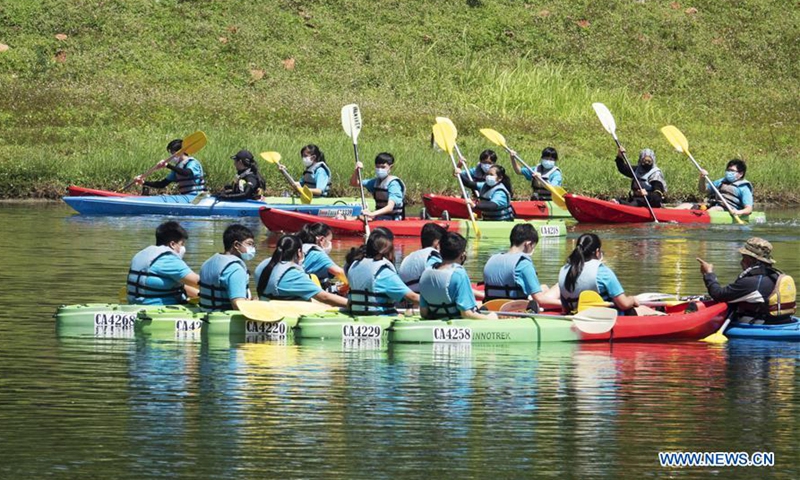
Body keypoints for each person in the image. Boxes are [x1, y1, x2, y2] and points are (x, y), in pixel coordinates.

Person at [697, 237, 795, 324]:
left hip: (760, 325)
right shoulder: (775, 275)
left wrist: (708, 273)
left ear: (749, 259)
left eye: (743, 257)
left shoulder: (751, 282)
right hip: (783, 321)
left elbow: (718, 294)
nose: (741, 261)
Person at [419, 232, 497, 320]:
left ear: (440, 251)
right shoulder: (459, 274)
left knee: (479, 305)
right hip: (457, 323)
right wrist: (491, 318)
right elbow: (466, 314)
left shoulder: (425, 274)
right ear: (462, 255)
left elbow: (424, 313)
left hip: (436, 321)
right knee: (486, 310)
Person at [255, 234, 348, 307]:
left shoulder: (262, 265)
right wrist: (354, 304)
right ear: (299, 252)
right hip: (288, 313)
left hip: (267, 306)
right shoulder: (293, 274)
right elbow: (324, 297)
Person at [483, 224, 560, 310]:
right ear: (528, 244)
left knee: (544, 287)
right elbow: (540, 300)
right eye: (533, 247)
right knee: (558, 287)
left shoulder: (492, 259)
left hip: (492, 306)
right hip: (515, 309)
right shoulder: (523, 263)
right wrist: (567, 305)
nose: (532, 250)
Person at [558, 233, 639, 314]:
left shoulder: (564, 270)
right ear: (597, 252)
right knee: (644, 309)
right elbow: (624, 304)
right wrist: (632, 299)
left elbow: (565, 309)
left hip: (576, 315)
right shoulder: (603, 271)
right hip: (603, 317)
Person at [345, 227, 419, 314]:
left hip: (358, 316)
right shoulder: (384, 273)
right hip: (380, 319)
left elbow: (349, 302)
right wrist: (434, 303)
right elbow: (413, 297)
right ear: (389, 252)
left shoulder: (354, 266)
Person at [127, 221, 200, 305]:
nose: (183, 248)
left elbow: (180, 287)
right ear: (172, 244)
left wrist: (200, 294)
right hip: (160, 310)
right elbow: (198, 282)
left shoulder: (142, 254)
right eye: (182, 244)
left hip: (136, 305)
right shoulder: (168, 259)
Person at [198, 224, 256, 311]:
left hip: (206, 314)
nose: (253, 248)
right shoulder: (236, 269)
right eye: (249, 244)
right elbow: (238, 305)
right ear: (236, 245)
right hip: (224, 319)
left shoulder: (207, 263)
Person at [677, 159, 753, 215]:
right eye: (728, 170)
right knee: (685, 205)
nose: (729, 172)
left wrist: (738, 212)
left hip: (728, 210)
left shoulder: (744, 188)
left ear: (740, 174)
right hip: (713, 205)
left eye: (732, 171)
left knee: (715, 209)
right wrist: (702, 178)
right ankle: (668, 213)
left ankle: (698, 219)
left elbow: (749, 209)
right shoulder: (721, 181)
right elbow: (703, 190)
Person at [135, 139, 206, 194]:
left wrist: (168, 165)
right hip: (186, 197)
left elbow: (186, 173)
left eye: (172, 153)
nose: (171, 156)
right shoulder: (178, 167)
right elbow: (162, 184)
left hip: (198, 196)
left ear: (180, 152)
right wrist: (143, 182)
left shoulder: (192, 162)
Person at [350, 152, 406, 220]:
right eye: (377, 167)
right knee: (358, 216)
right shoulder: (375, 182)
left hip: (393, 219)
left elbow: (390, 207)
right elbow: (354, 183)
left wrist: (372, 214)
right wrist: (356, 170)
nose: (379, 169)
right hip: (380, 217)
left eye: (383, 167)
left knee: (361, 217)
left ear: (390, 167)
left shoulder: (394, 184)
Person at [398, 223, 448, 292]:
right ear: (438, 244)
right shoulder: (433, 257)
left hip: (407, 299)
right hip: (424, 299)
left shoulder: (407, 259)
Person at [297, 222, 347, 287]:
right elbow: (340, 273)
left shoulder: (302, 248)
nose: (330, 244)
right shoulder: (317, 255)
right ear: (322, 240)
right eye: (329, 241)